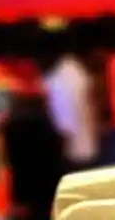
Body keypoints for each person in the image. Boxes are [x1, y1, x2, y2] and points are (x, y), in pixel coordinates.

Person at [39, 34, 98, 171]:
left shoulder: (60, 78)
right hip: (87, 147)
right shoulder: (77, 71)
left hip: (74, 153)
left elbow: (65, 125)